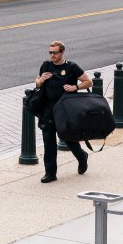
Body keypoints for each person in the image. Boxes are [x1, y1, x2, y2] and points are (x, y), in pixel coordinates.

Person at [34, 41, 93, 183]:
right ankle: (50, 173)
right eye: (50, 52)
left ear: (62, 53)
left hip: (65, 110)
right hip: (48, 109)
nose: (52, 55)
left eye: (55, 53)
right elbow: (37, 83)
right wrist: (40, 81)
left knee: (69, 139)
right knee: (48, 142)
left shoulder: (71, 67)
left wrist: (75, 87)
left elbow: (88, 82)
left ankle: (82, 156)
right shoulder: (46, 66)